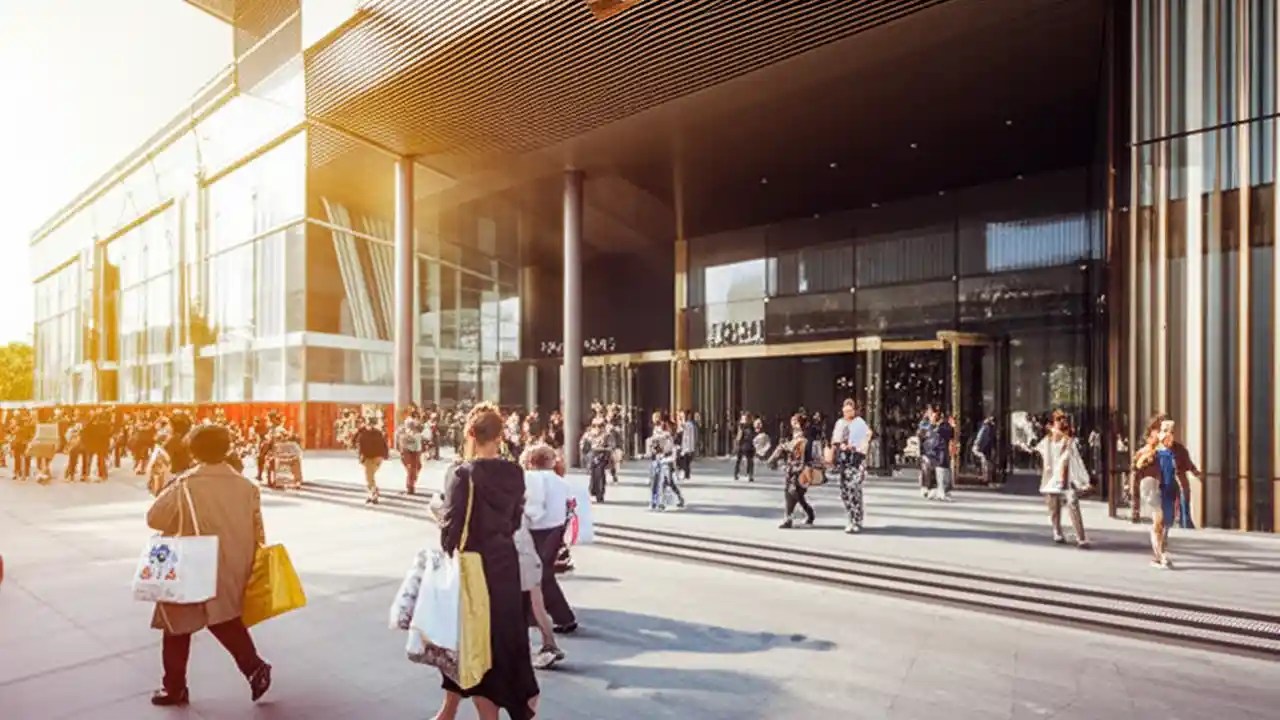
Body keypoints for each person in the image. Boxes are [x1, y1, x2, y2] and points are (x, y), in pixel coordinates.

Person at [145, 424, 272, 706]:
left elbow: (155, 518)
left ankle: (175, 687)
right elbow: (258, 528)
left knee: (177, 627)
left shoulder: (185, 484)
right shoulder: (247, 485)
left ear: (193, 450)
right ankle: (254, 667)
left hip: (191, 563)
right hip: (233, 563)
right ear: (227, 448)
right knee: (224, 618)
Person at [434, 403, 540, 720]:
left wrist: (438, 516)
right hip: (505, 566)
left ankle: (478, 714)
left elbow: (449, 536)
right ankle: (451, 711)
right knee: (504, 638)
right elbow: (513, 522)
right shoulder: (515, 472)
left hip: (473, 569)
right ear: (500, 436)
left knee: (472, 641)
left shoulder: (461, 474)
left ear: (470, 434)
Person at [519, 443, 570, 669]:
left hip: (537, 530)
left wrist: (523, 518)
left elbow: (534, 508)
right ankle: (552, 619)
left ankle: (561, 618)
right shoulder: (559, 480)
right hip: (556, 528)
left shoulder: (532, 478)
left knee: (537, 578)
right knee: (543, 575)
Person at [1132, 414, 1200, 568]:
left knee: (1166, 524)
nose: (1168, 434)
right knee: (1159, 520)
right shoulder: (1152, 448)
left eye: (1171, 431)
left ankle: (1158, 556)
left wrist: (1197, 474)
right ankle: (1162, 556)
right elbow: (1137, 464)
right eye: (1164, 430)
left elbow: (1187, 463)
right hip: (1153, 488)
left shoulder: (1178, 450)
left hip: (1170, 489)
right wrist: (1146, 459)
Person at [1035, 410, 1090, 549]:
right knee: (1054, 507)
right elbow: (1038, 454)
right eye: (1058, 419)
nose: (1061, 422)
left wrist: (1083, 480)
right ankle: (1057, 531)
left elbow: (1076, 461)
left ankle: (1081, 537)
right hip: (1051, 479)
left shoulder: (1068, 441)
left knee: (1072, 504)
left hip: (1066, 478)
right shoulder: (1046, 442)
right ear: (1051, 424)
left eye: (1063, 419)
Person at [767, 414, 818, 529]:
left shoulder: (805, 439)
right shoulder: (795, 438)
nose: (792, 424)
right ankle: (810, 514)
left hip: (800, 471)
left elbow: (803, 458)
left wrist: (795, 466)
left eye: (795, 422)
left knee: (792, 494)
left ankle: (788, 519)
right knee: (796, 495)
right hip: (792, 470)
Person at [830, 399, 872, 534]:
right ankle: (851, 515)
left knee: (854, 490)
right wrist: (838, 447)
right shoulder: (840, 423)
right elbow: (835, 440)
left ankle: (855, 519)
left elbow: (866, 439)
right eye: (845, 410)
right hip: (844, 461)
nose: (847, 413)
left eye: (850, 410)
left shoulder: (859, 423)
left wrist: (855, 447)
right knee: (844, 492)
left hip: (856, 461)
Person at [645, 414, 684, 511]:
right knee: (657, 481)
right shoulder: (656, 432)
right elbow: (653, 445)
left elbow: (670, 445)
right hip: (658, 459)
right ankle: (656, 502)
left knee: (668, 481)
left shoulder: (667, 433)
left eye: (657, 419)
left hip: (668, 459)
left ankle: (676, 498)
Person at [353, 417, 389, 504]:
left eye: (371, 424)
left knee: (369, 476)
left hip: (376, 457)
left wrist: (385, 454)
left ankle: (373, 493)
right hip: (368, 457)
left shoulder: (377, 433)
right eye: (368, 424)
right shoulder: (361, 432)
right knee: (370, 476)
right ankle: (374, 491)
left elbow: (384, 444)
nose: (370, 425)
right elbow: (354, 442)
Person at [579, 417, 615, 503]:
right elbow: (582, 444)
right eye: (595, 426)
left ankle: (600, 494)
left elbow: (611, 446)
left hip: (602, 455)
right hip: (592, 456)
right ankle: (593, 490)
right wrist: (585, 451)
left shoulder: (607, 435)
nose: (597, 428)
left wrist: (604, 449)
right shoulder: (588, 434)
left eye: (600, 426)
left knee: (600, 474)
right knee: (593, 474)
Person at [397, 417, 426, 495]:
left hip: (415, 453)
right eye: (410, 425)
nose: (412, 426)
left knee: (416, 468)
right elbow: (404, 445)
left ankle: (410, 484)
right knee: (412, 470)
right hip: (409, 454)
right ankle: (410, 486)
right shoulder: (405, 434)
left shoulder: (416, 434)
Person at [972, 416, 997, 486]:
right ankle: (986, 478)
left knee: (986, 463)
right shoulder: (986, 428)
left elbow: (980, 438)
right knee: (985, 462)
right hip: (983, 448)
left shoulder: (986, 428)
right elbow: (981, 439)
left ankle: (986, 478)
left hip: (983, 448)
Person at [733, 412, 756, 482]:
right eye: (744, 419)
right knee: (738, 460)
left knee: (750, 461)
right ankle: (736, 474)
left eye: (746, 419)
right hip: (741, 445)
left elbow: (755, 435)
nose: (745, 420)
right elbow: (737, 436)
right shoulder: (740, 426)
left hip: (749, 445)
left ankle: (750, 475)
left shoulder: (752, 427)